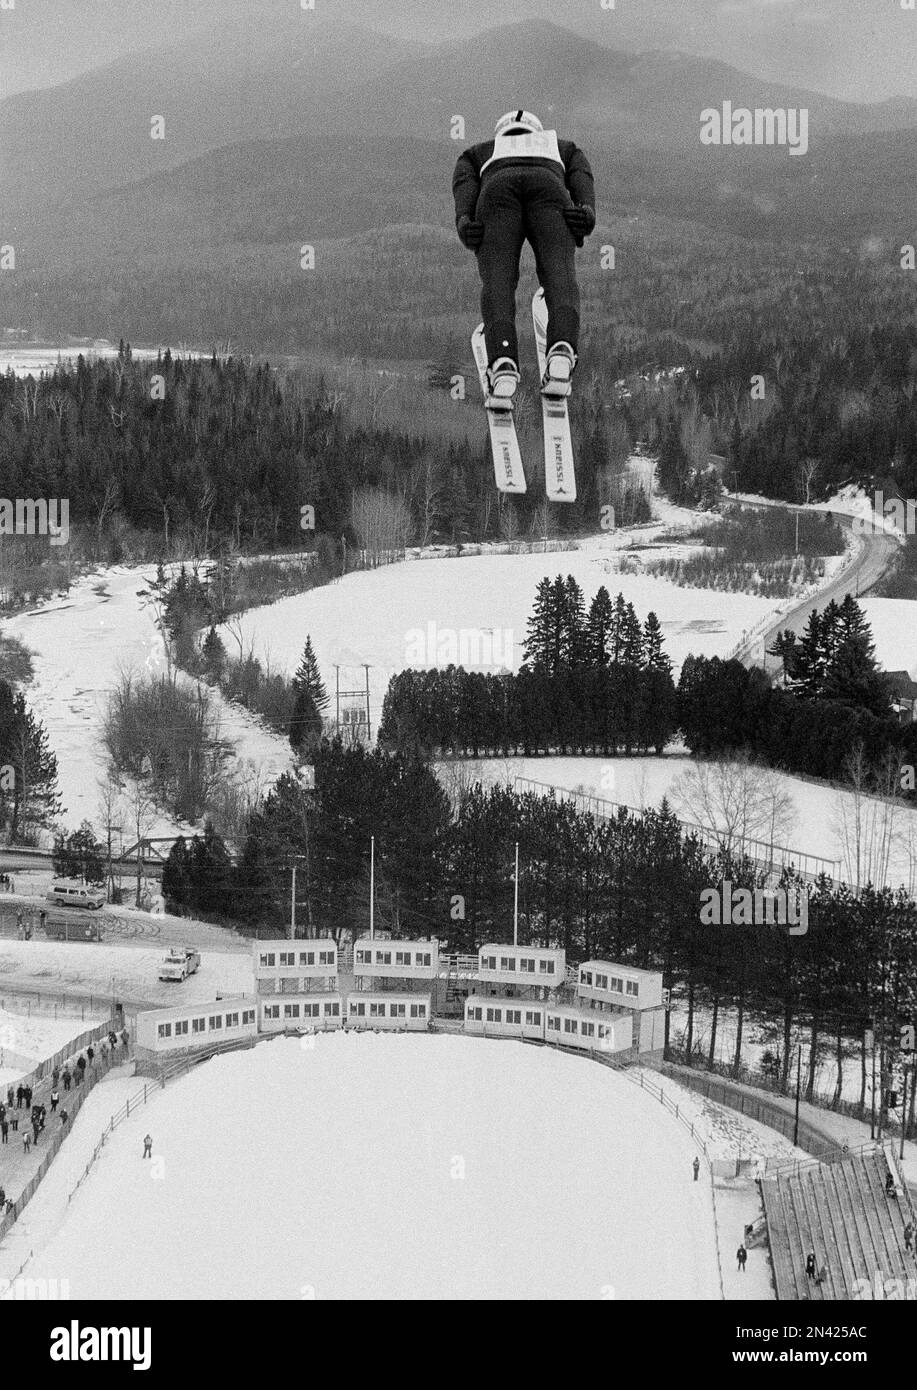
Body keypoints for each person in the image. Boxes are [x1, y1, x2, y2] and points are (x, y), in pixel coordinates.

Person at [452, 110, 596, 401]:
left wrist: (464, 220)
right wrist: (586, 209)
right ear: (536, 130)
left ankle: (502, 362)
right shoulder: (560, 146)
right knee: (560, 273)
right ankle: (562, 350)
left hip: (496, 189)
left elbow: (464, 178)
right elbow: (581, 171)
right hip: (549, 185)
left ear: (501, 132)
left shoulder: (480, 151)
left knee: (499, 281)